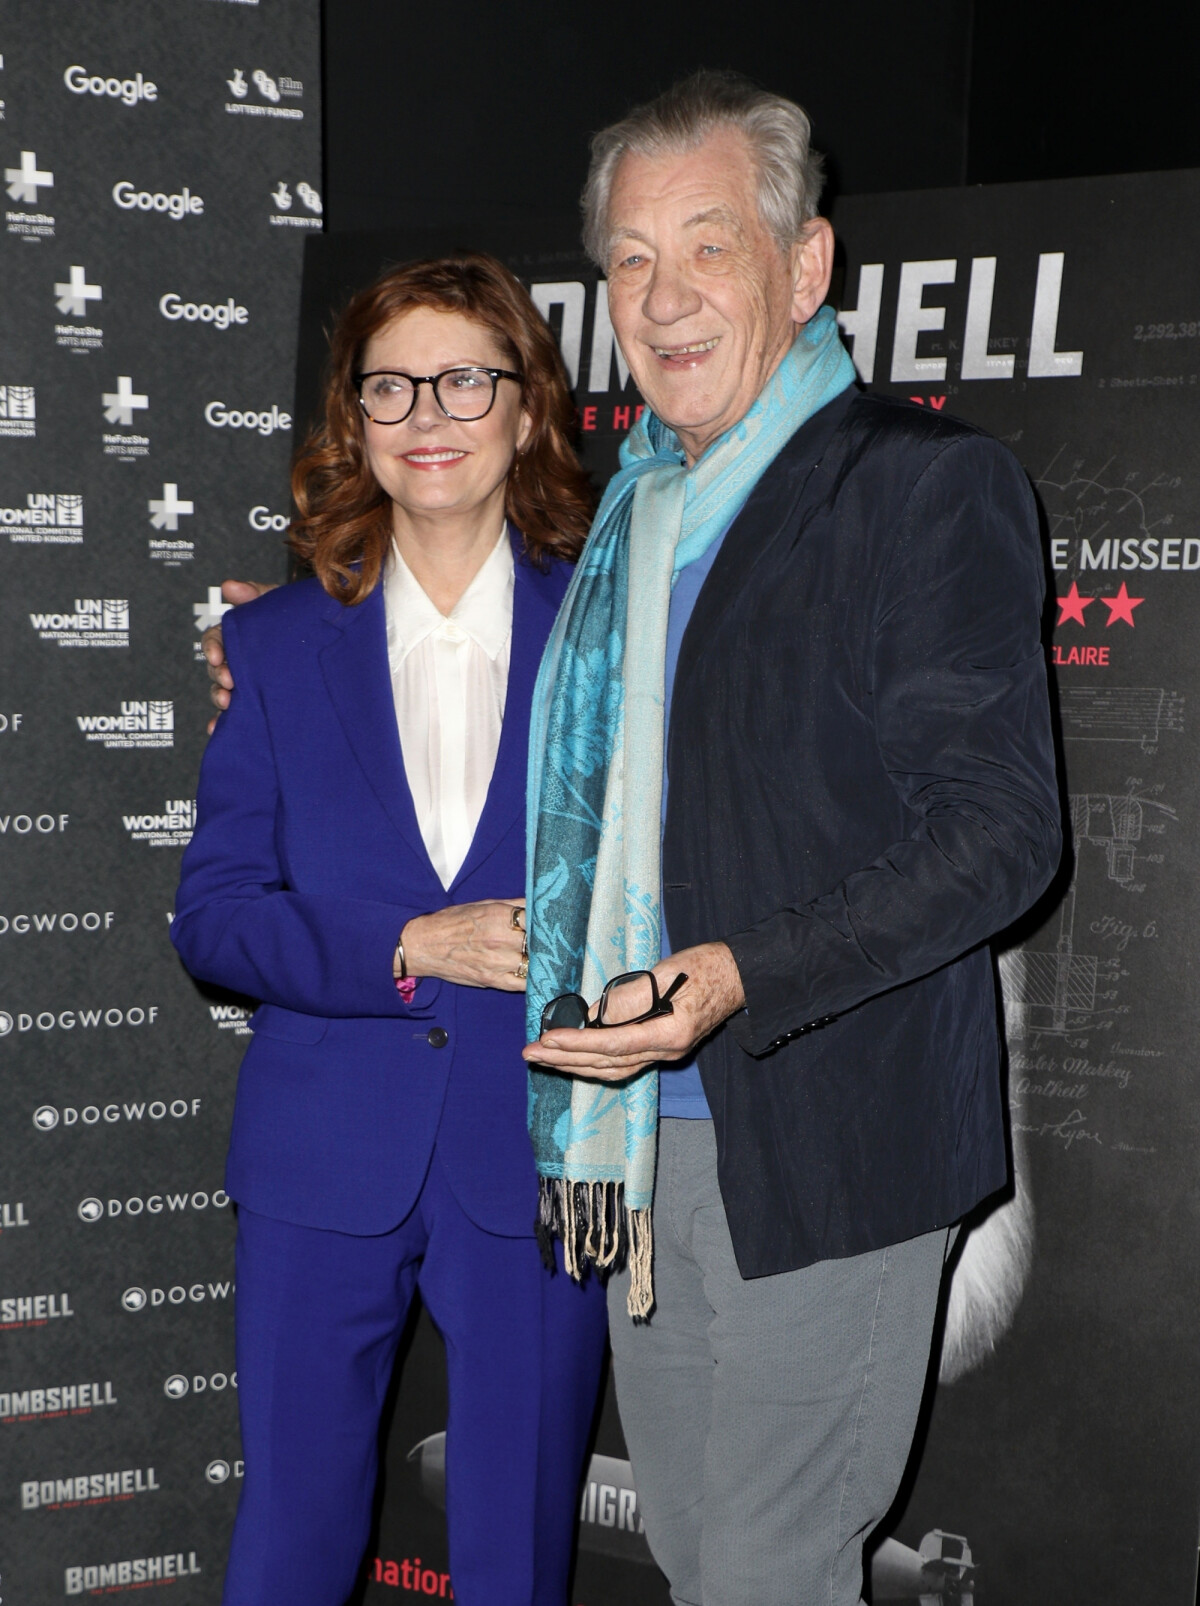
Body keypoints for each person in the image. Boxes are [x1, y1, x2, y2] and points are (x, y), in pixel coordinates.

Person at [521, 71, 1062, 1606]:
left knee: (764, 1574)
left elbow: (1005, 833)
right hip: (642, 1150)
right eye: (629, 258)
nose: (663, 295)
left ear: (805, 263)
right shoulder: (628, 526)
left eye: (708, 245)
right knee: (705, 1562)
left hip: (829, 1146)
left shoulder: (921, 487)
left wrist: (747, 971)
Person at [172, 253, 608, 1606]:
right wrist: (412, 942)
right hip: (316, 1160)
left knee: (516, 1554)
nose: (429, 409)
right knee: (290, 1542)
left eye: (466, 377)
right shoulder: (280, 645)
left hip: (539, 1157)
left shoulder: (610, 630)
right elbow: (215, 919)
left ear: (527, 409)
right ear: (352, 422)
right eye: (391, 384)